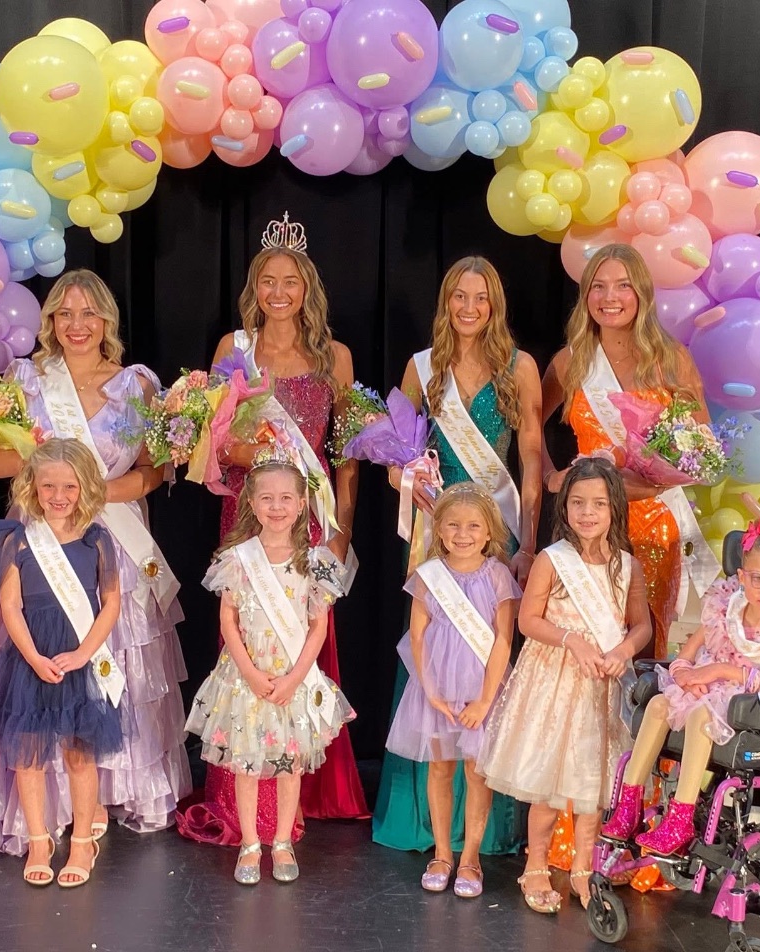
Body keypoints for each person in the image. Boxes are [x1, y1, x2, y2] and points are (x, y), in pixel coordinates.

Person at [0, 269, 189, 835]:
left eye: (89, 313)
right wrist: (44, 470)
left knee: (116, 657)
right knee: (39, 658)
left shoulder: (137, 385)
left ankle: (108, 791)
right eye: (65, 313)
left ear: (107, 319)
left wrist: (94, 494)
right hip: (40, 538)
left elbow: (154, 471)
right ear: (50, 321)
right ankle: (47, 803)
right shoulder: (24, 379)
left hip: (112, 536)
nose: (77, 324)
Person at [179, 213, 367, 846]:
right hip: (248, 515)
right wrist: (253, 450)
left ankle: (305, 791)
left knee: (305, 640)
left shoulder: (334, 356)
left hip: (311, 518)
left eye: (290, 281)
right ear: (253, 288)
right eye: (268, 280)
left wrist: (342, 531)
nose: (279, 292)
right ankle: (244, 802)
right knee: (249, 639)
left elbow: (346, 453)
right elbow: (210, 443)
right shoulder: (232, 350)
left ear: (307, 287)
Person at [373, 256, 542, 856]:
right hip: (439, 537)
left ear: (495, 305)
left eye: (481, 298)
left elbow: (530, 458)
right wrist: (406, 480)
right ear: (446, 302)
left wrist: (528, 544)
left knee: (490, 658)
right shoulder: (423, 367)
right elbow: (395, 452)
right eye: (459, 297)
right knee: (434, 651)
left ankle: (488, 831)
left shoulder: (520, 367)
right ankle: (424, 823)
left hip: (496, 536)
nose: (469, 308)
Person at [478, 457, 652, 913]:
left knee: (593, 782)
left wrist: (623, 650)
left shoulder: (628, 567)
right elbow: (528, 621)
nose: (587, 513)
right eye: (578, 503)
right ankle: (536, 864)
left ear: (615, 508)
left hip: (602, 684)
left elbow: (642, 626)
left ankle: (582, 866)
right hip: (554, 679)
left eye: (598, 504)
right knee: (549, 782)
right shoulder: (552, 560)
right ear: (565, 507)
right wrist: (571, 640)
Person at [0, 439, 125, 887]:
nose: (58, 495)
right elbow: (10, 607)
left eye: (69, 486)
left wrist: (83, 654)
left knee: (80, 756)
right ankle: (38, 840)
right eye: (48, 486)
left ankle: (82, 841)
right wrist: (32, 657)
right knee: (28, 758)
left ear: (85, 487)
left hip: (79, 659)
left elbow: (111, 602)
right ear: (33, 486)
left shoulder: (97, 539)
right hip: (31, 661)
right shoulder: (18, 540)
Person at [601, 514, 760, 857]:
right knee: (658, 704)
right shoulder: (727, 606)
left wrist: (721, 671)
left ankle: (681, 819)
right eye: (758, 579)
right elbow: (685, 656)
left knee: (701, 715)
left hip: (759, 702)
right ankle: (629, 807)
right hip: (711, 689)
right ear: (742, 577)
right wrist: (686, 676)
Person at [539, 243, 715, 657]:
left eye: (622, 285)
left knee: (645, 646)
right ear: (586, 295)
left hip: (656, 524)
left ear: (642, 293)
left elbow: (703, 446)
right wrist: (551, 476)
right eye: (598, 286)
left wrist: (659, 481)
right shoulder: (569, 363)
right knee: (585, 641)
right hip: (587, 522)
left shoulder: (670, 359)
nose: (610, 297)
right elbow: (529, 428)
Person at [185, 456, 354, 884]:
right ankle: (250, 844)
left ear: (301, 505)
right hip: (247, 678)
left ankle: (281, 842)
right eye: (266, 499)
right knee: (245, 765)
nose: (276, 507)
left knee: (289, 764)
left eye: (285, 499)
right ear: (251, 503)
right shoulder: (237, 559)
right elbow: (228, 621)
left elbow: (318, 627)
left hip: (293, 678)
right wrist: (251, 674)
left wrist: (295, 678)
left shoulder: (316, 562)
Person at [385, 484, 519, 899]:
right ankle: (442, 854)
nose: (463, 534)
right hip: (438, 689)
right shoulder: (429, 576)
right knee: (440, 770)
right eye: (453, 525)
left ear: (489, 531)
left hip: (482, 690)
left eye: (473, 526)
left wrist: (485, 700)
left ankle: (470, 858)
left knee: (477, 774)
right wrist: (431, 692)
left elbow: (503, 639)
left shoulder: (497, 575)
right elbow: (417, 636)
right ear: (439, 529)